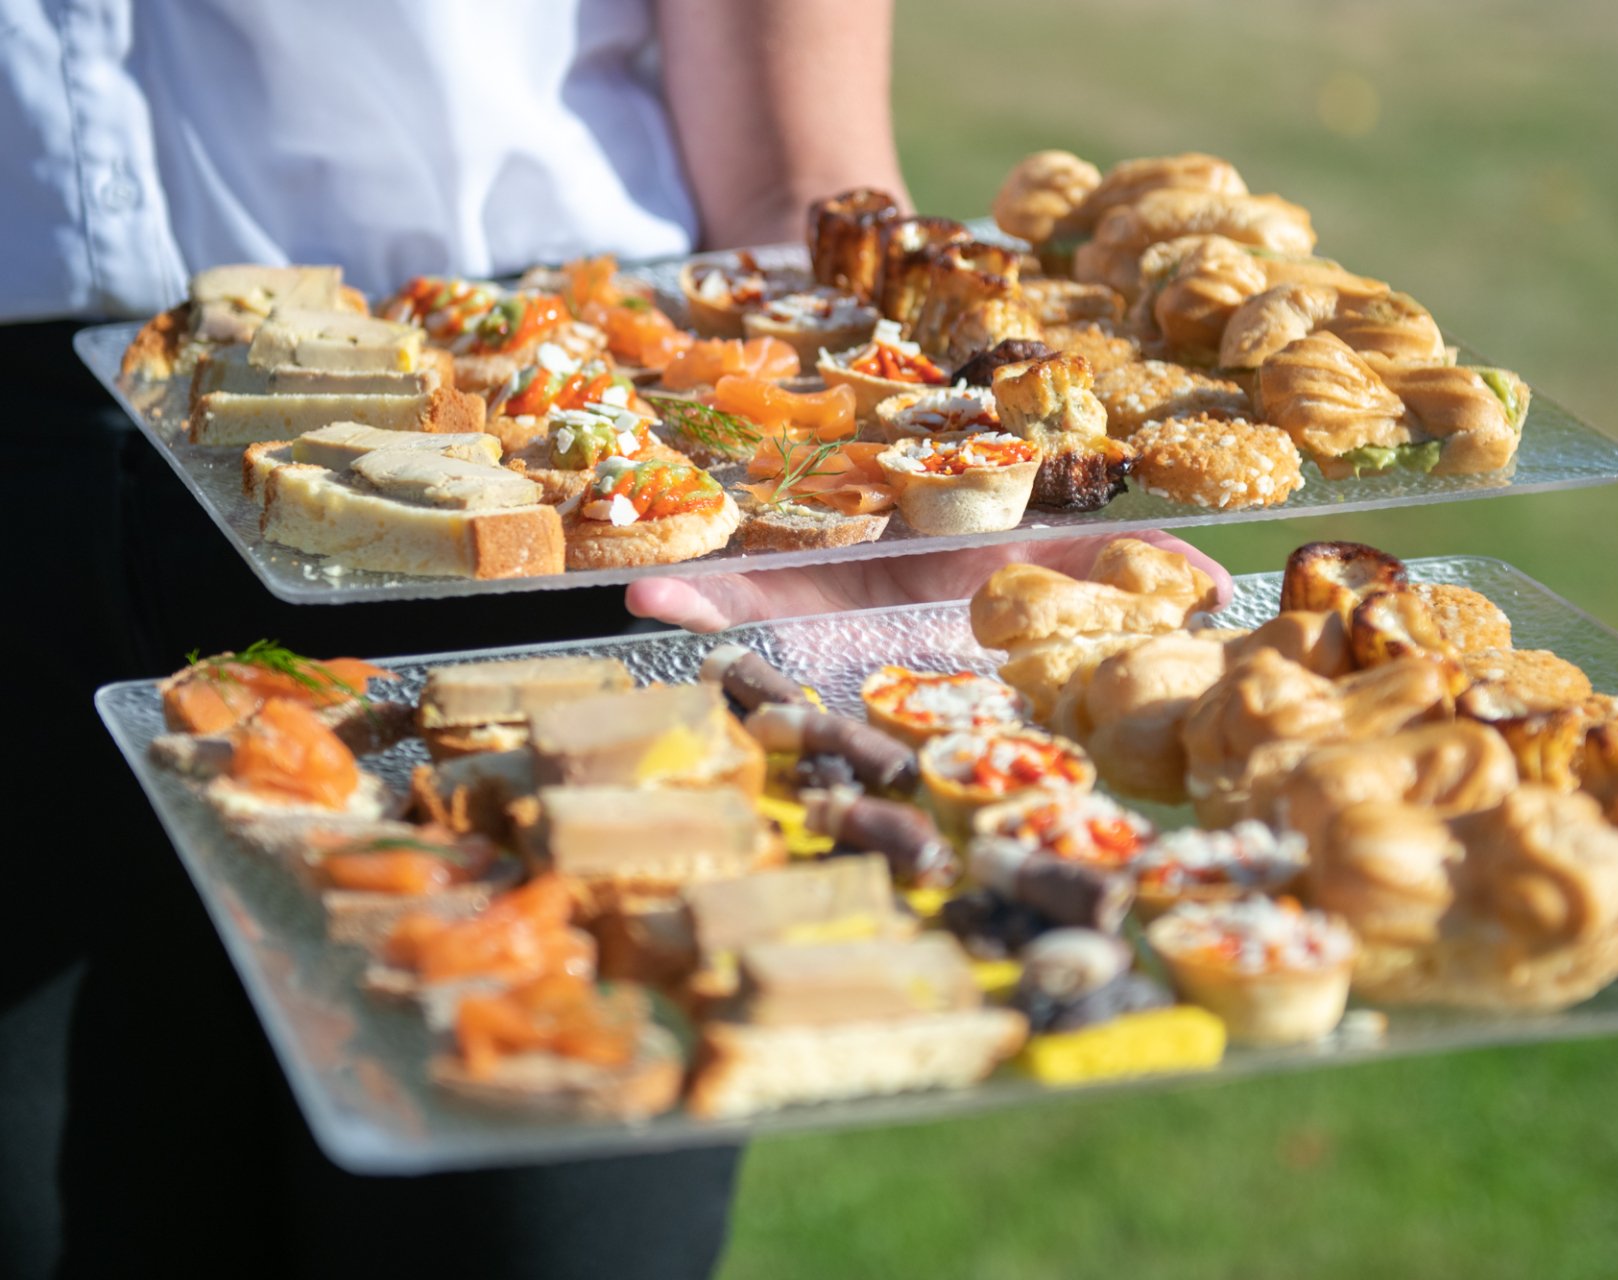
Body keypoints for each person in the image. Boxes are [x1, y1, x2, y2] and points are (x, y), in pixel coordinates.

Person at [3, 4, 1229, 1277]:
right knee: (47, 1211)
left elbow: (787, 158)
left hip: (530, 464)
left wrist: (867, 461)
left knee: (531, 1227)